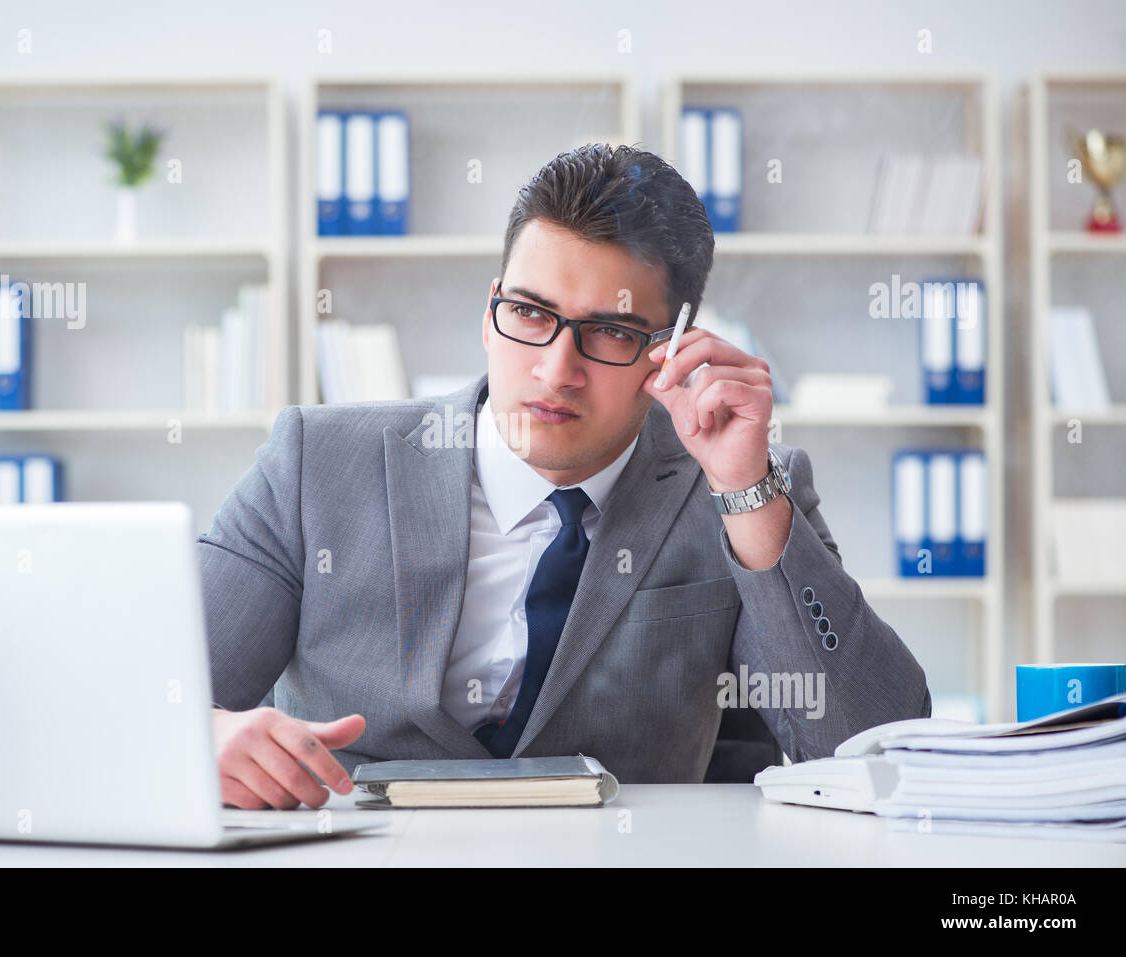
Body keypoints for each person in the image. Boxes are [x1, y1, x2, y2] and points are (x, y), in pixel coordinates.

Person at [202, 142, 931, 810]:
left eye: (610, 332)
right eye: (528, 312)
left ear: (672, 350)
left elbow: (872, 748)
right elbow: (140, 697)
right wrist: (202, 737)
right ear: (491, 313)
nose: (556, 370)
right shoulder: (316, 464)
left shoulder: (736, 488)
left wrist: (746, 491)